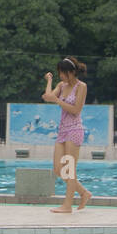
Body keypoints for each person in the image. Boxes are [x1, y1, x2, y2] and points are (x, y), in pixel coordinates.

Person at [42, 57, 92, 213]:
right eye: (59, 73)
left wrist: (57, 100)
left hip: (74, 130)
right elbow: (47, 97)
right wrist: (49, 80)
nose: (61, 76)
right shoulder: (61, 86)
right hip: (62, 131)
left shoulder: (81, 87)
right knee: (58, 169)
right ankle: (83, 193)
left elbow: (76, 110)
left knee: (69, 169)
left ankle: (67, 205)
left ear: (71, 72)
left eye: (62, 73)